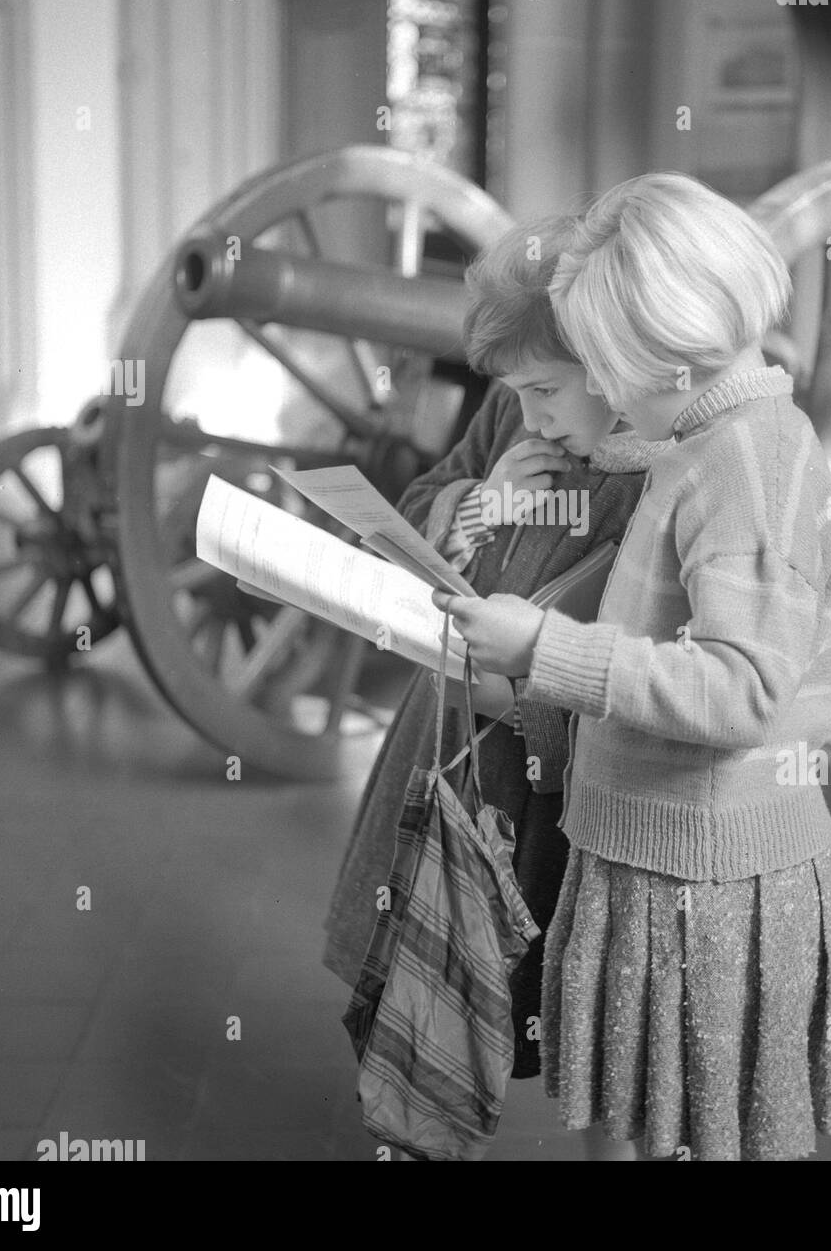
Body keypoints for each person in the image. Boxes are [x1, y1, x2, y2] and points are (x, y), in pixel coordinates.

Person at [435, 173, 831, 1161]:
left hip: (703, 882)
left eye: (601, 366)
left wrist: (543, 648)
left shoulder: (749, 463)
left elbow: (741, 689)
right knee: (630, 1134)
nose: (601, 392)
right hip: (656, 857)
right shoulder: (708, 438)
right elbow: (671, 476)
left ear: (664, 353)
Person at [322, 212, 671, 1084]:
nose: (527, 416)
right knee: (405, 960)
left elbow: (645, 656)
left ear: (608, 363)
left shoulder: (655, 474)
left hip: (541, 761)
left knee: (510, 978)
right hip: (441, 728)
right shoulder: (518, 404)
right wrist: (475, 499)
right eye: (512, 394)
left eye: (545, 393)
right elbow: (426, 496)